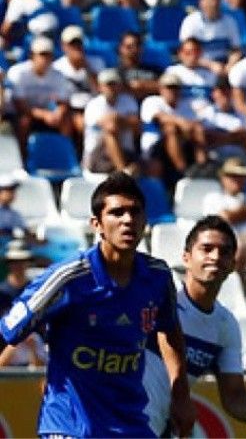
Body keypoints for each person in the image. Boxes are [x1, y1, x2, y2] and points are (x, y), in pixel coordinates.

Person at [0, 173, 195, 437]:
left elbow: (170, 331)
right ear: (97, 224)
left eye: (135, 212)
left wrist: (180, 395)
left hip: (129, 424)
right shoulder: (68, 278)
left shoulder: (158, 276)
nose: (128, 220)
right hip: (70, 427)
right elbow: (10, 329)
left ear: (145, 221)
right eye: (117, 213)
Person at [142, 216, 246, 434]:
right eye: (206, 249)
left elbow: (234, 395)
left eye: (224, 252)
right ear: (186, 257)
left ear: (233, 265)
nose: (215, 257)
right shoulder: (154, 300)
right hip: (116, 421)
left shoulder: (225, 326)